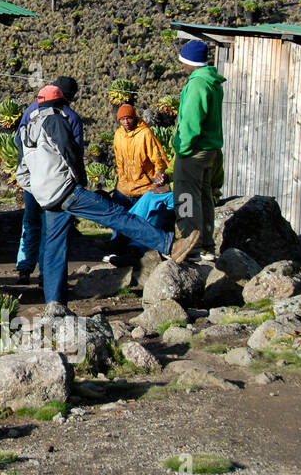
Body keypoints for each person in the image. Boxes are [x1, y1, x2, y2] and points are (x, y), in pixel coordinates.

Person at [17, 84, 197, 316]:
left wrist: (41, 190)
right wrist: (78, 181)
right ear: (60, 103)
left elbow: (22, 172)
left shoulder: (26, 128)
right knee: (116, 214)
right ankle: (170, 245)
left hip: (46, 197)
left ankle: (55, 304)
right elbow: (69, 152)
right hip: (67, 191)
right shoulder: (55, 119)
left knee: (54, 247)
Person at [15, 76, 85, 288]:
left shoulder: (31, 110)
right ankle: (46, 273)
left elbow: (20, 141)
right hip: (55, 183)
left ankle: (24, 267)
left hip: (32, 179)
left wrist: (25, 174)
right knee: (49, 228)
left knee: (30, 222)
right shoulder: (70, 117)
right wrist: (79, 180)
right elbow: (74, 152)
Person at [172, 40, 226, 259]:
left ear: (189, 61)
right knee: (204, 197)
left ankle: (189, 244)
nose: (182, 67)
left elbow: (191, 122)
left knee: (185, 197)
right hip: (209, 150)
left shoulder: (197, 85)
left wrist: (181, 146)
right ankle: (206, 245)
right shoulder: (213, 82)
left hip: (192, 151)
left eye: (183, 62)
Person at [111, 103, 169, 206]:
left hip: (143, 189)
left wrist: (158, 179)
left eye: (129, 118)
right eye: (122, 119)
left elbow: (158, 159)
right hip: (123, 190)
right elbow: (119, 162)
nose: (126, 122)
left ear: (134, 117)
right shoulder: (118, 135)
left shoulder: (145, 133)